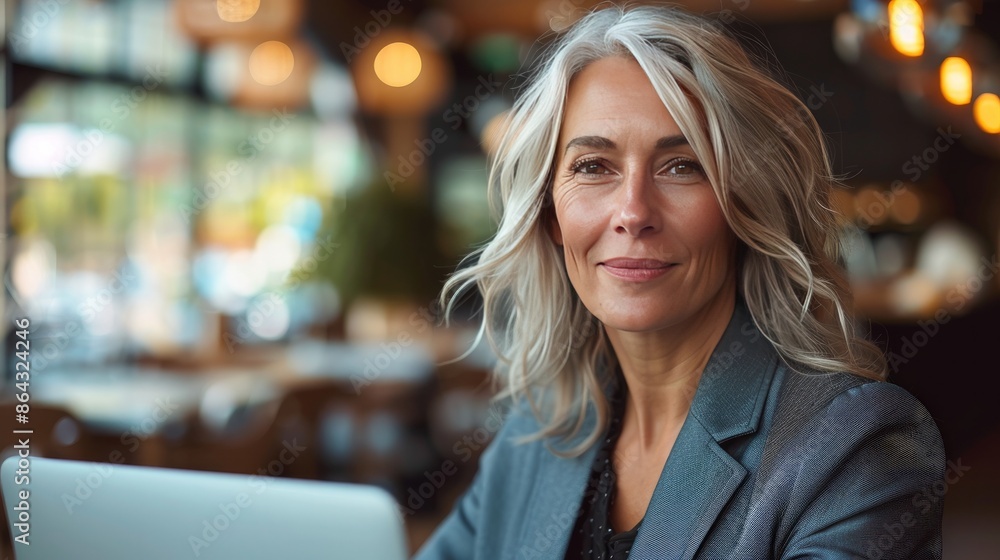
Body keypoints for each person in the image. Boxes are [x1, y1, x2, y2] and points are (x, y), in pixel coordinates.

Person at [413, 5, 945, 559]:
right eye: (593, 166)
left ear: (744, 204)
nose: (633, 212)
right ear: (550, 214)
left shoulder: (851, 444)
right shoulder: (535, 435)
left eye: (682, 166)